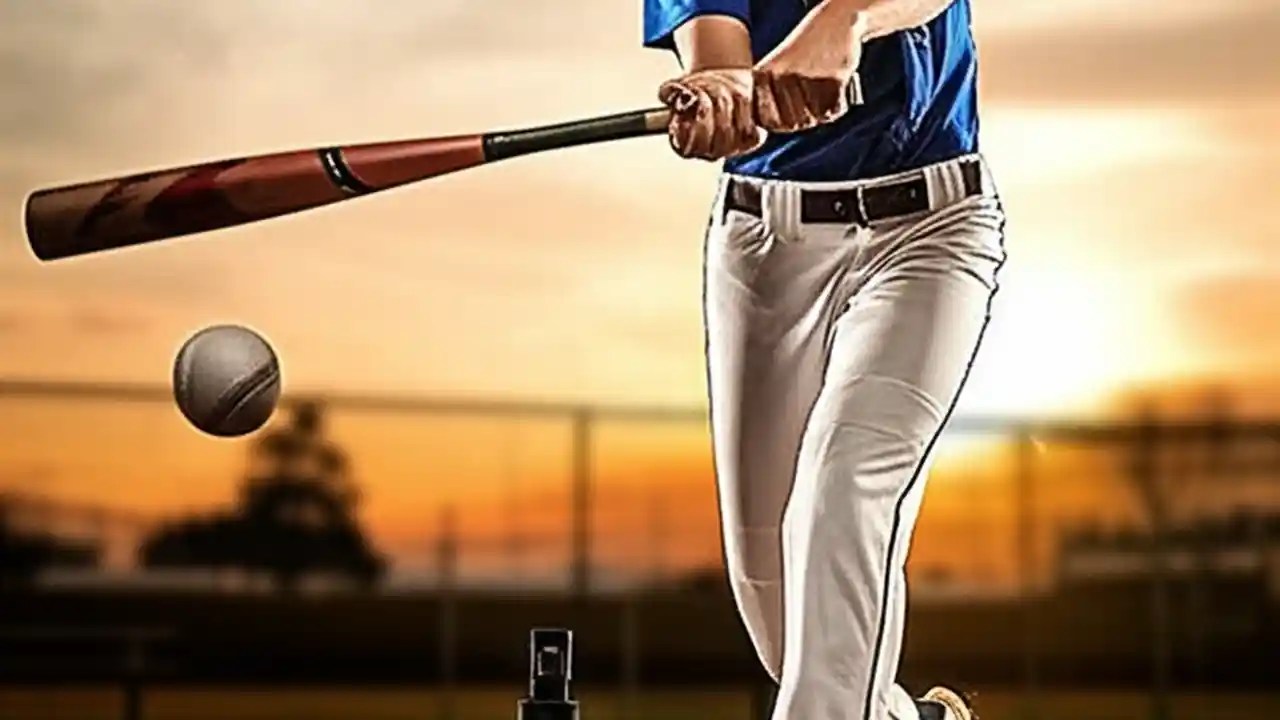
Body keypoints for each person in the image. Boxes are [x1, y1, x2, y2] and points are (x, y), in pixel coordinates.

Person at [644, 1, 1006, 718]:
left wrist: (847, 17)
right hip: (763, 244)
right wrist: (719, 91)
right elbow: (715, 44)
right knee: (783, 611)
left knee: (842, 489)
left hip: (930, 229)